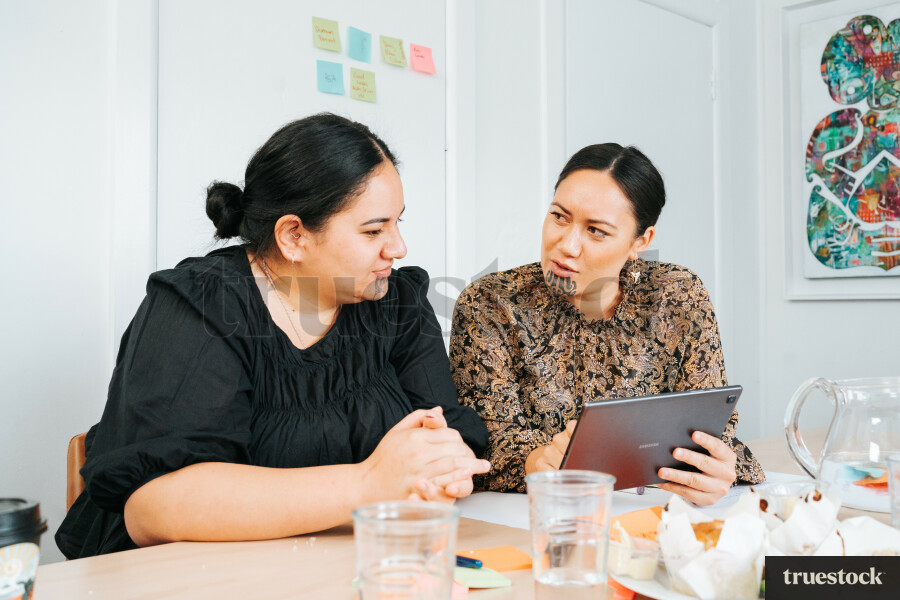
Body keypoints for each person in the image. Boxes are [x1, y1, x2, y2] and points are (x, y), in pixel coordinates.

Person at [56, 113, 489, 559]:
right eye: (374, 230)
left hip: (350, 563)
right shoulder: (202, 306)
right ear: (294, 236)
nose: (397, 247)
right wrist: (370, 482)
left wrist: (441, 468)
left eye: (398, 222)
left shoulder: (395, 301)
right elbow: (154, 509)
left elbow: (445, 429)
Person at [449, 143, 765, 506]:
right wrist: (537, 463)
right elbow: (488, 443)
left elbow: (711, 427)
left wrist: (714, 467)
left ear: (640, 241)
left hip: (658, 513)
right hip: (531, 516)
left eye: (596, 231)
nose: (567, 245)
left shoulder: (677, 296)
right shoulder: (491, 303)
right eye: (559, 216)